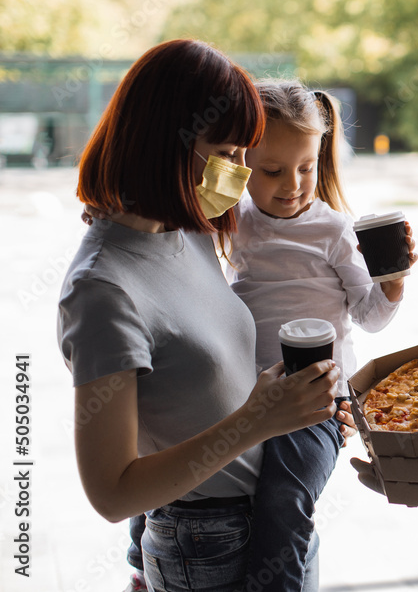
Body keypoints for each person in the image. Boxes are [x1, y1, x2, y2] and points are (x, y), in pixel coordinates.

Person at [57, 39, 343, 592]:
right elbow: (112, 493)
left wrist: (304, 409)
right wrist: (261, 419)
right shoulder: (100, 291)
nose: (241, 172)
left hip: (272, 514)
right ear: (168, 143)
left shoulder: (186, 227)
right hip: (205, 539)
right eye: (230, 153)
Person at [232, 79, 416, 591]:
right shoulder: (233, 222)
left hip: (318, 402)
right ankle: (142, 563)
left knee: (283, 500)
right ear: (240, 161)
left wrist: (394, 285)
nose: (292, 184)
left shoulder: (334, 230)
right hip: (249, 397)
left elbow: (371, 316)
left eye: (306, 168)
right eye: (271, 171)